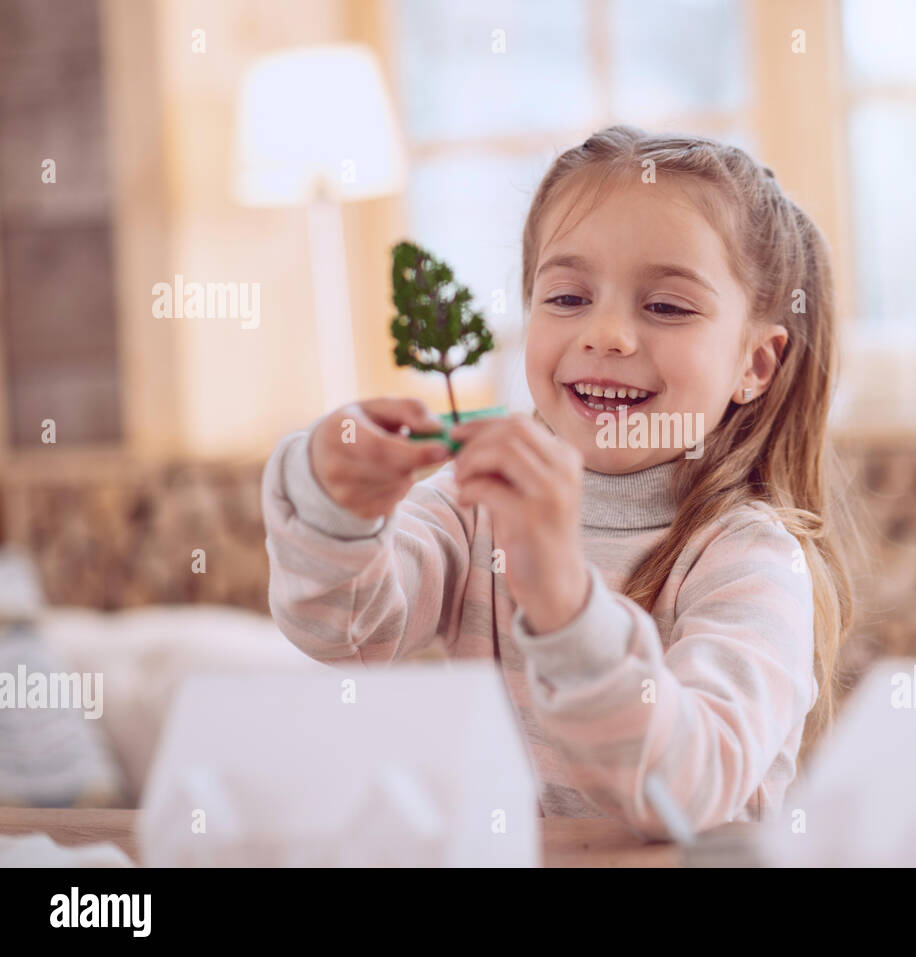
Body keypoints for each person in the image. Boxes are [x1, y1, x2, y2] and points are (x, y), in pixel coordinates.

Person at [261, 125, 862, 840]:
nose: (605, 333)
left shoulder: (752, 560)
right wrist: (338, 508)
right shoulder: (470, 502)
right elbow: (345, 632)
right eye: (568, 298)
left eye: (666, 306)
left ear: (754, 364)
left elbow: (686, 791)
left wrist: (560, 599)